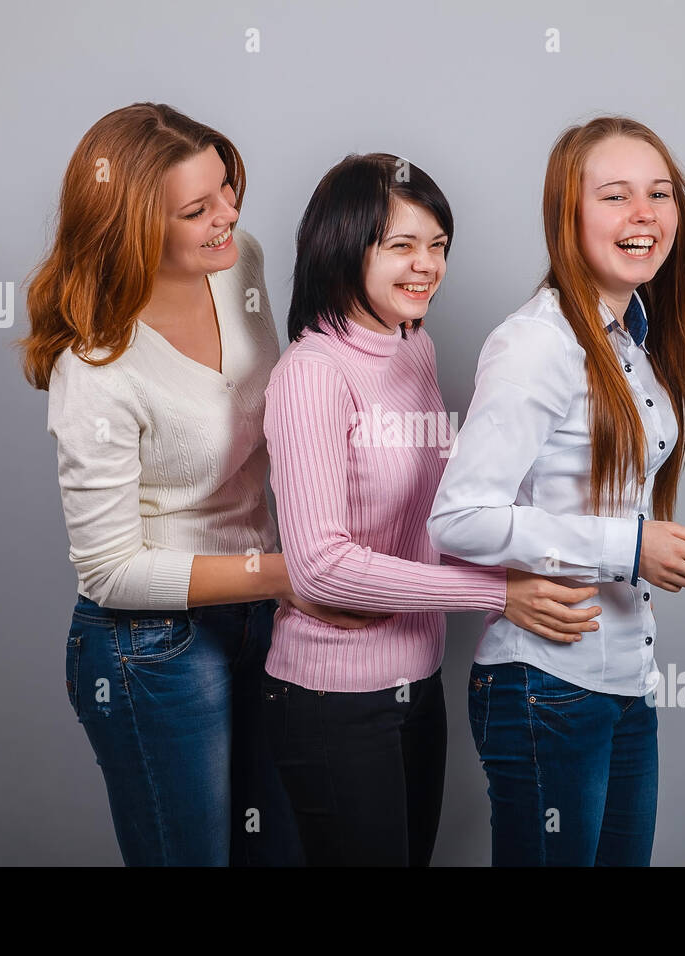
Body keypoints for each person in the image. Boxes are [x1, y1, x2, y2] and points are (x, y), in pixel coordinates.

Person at [19, 102, 383, 866]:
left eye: (226, 187)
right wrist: (290, 573)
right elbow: (110, 571)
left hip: (264, 608)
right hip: (151, 644)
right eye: (198, 209)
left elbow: (285, 416)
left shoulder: (237, 261)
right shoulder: (95, 366)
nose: (229, 214)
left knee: (279, 850)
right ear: (132, 227)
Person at [260, 152, 603, 866]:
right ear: (345, 246)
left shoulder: (413, 346)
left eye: (438, 245)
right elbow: (320, 568)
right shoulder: (311, 375)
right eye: (402, 246)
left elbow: (436, 519)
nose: (427, 266)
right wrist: (499, 593)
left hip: (418, 682)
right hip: (334, 701)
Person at [428, 116, 685, 866]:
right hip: (546, 689)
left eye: (659, 194)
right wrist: (629, 548)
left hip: (624, 681)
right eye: (616, 196)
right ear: (569, 215)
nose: (644, 215)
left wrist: (636, 548)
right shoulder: (537, 344)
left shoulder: (635, 340)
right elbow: (459, 517)